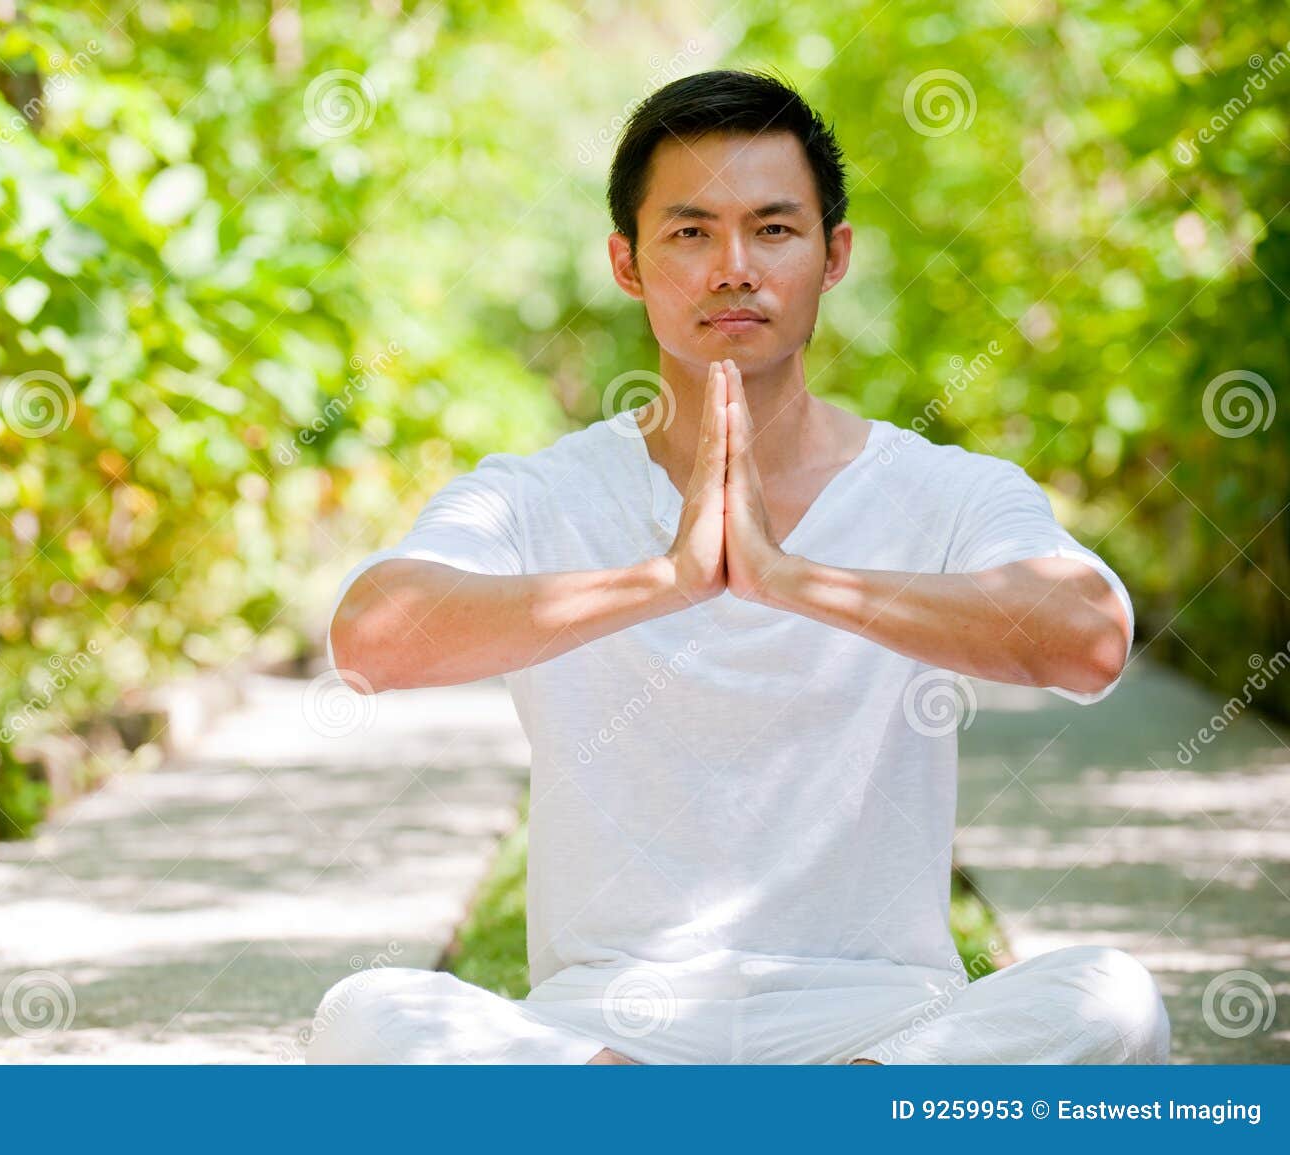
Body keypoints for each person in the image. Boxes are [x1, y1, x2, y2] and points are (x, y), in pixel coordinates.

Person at [305, 69, 1169, 1065]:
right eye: (690, 232)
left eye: (773, 229)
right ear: (627, 263)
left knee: (1110, 999)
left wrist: (789, 577)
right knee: (368, 1014)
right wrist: (668, 579)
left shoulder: (944, 490)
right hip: (605, 1037)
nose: (733, 268)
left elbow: (1089, 640)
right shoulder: (537, 494)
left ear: (832, 255)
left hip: (882, 1028)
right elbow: (371, 637)